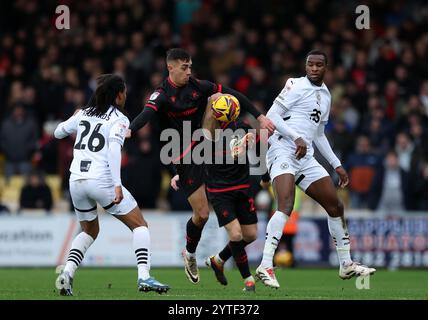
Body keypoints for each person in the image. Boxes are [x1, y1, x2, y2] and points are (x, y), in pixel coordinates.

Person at [128, 48, 274, 284]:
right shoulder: (162, 94)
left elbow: (234, 93)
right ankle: (190, 253)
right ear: (170, 68)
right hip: (185, 155)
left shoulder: (198, 86)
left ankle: (236, 141)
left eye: (190, 66)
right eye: (184, 67)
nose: (189, 72)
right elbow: (147, 113)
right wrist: (130, 129)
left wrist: (259, 117)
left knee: (218, 97)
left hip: (206, 146)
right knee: (202, 215)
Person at [256, 50, 376, 289]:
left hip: (305, 156)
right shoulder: (294, 85)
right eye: (310, 64)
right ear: (306, 66)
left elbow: (319, 135)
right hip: (282, 149)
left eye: (318, 65)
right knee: (286, 205)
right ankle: (265, 264)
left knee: (336, 205)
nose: (313, 68)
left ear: (326, 68)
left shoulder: (326, 96)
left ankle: (345, 263)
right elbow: (271, 117)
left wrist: (337, 164)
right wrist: (296, 137)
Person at [53, 74, 169, 296]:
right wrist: (117, 185)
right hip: (102, 180)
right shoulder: (119, 118)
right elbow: (114, 150)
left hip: (76, 180)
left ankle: (67, 273)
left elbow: (58, 132)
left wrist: (75, 117)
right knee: (140, 225)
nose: (125, 95)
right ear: (118, 95)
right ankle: (144, 277)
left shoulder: (83, 113)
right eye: (124, 92)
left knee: (89, 230)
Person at [195, 93, 258, 291]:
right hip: (219, 191)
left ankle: (219, 259)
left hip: (241, 187)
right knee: (236, 234)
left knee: (250, 235)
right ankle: (248, 279)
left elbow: (254, 141)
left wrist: (250, 141)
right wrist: (180, 175)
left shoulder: (243, 127)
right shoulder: (207, 133)